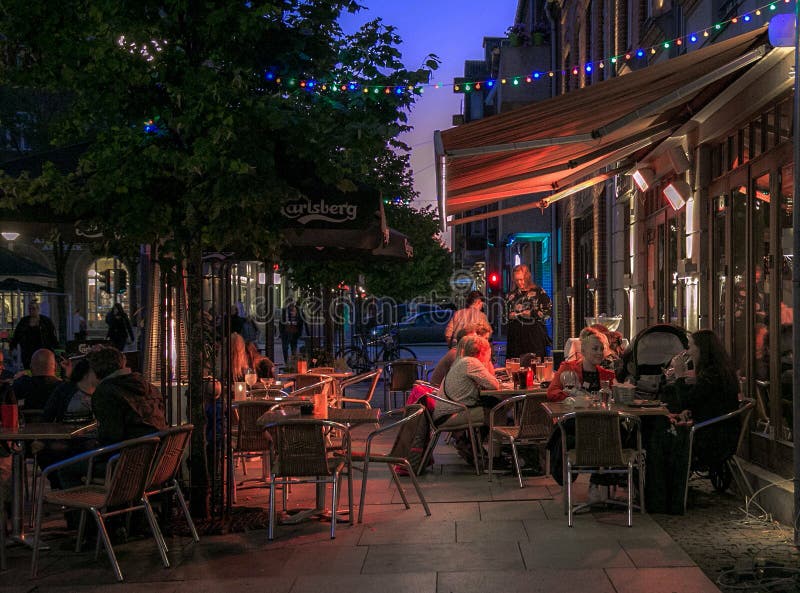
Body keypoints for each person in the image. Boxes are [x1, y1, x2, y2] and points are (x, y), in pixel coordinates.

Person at [667, 329, 741, 467]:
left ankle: (666, 479)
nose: (688, 352)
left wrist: (679, 376)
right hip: (721, 432)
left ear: (702, 349)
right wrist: (691, 411)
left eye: (690, 347)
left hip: (711, 439)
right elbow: (706, 402)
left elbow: (685, 401)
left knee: (662, 438)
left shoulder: (712, 376)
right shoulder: (720, 371)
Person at [433, 335, 499, 465]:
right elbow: (494, 384)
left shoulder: (461, 360)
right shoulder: (471, 362)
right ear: (482, 352)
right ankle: (495, 456)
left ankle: (472, 447)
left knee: (491, 404)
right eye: (489, 353)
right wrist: (486, 362)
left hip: (444, 413)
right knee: (496, 410)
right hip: (450, 415)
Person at [86, 345, 166, 446]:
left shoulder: (105, 393)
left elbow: (111, 435)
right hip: (157, 448)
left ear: (95, 371)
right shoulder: (150, 388)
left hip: (127, 452)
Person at [38, 359, 99, 488]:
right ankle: (61, 488)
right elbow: (47, 416)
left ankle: (68, 490)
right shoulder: (66, 389)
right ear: (86, 374)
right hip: (67, 439)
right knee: (48, 452)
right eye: (96, 372)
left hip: (91, 442)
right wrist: (43, 439)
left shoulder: (102, 392)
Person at [547, 326, 616, 402]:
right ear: (583, 351)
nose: (599, 352)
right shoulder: (568, 368)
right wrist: (572, 398)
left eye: (602, 349)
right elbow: (552, 393)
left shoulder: (608, 375)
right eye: (595, 349)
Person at [504, 265, 552, 360]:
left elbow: (548, 311)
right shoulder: (511, 295)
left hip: (534, 336)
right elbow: (504, 315)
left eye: (521, 279)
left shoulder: (539, 292)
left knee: (535, 363)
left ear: (527, 278)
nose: (519, 282)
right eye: (516, 280)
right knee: (515, 364)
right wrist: (509, 316)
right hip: (515, 338)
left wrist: (532, 314)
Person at [430, 321, 491, 387]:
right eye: (471, 339)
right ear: (463, 341)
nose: (474, 341)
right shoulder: (456, 354)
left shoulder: (464, 353)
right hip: (439, 391)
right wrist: (487, 355)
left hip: (448, 390)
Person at [9, 300, 58, 369]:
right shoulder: (24, 321)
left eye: (33, 308)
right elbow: (17, 335)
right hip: (28, 352)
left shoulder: (46, 321)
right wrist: (12, 347)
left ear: (38, 309)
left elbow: (52, 336)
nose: (31, 311)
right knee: (29, 369)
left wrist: (57, 349)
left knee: (43, 368)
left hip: (43, 350)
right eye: (30, 309)